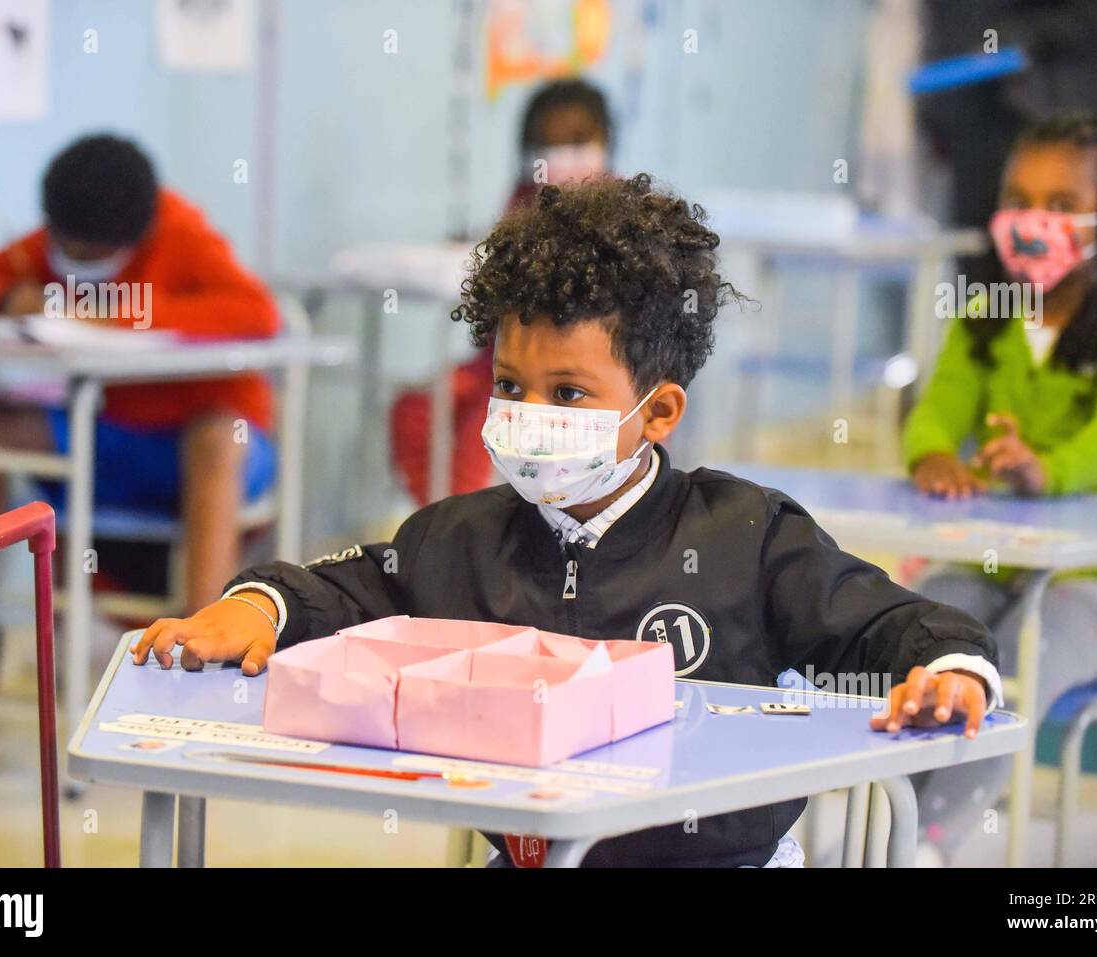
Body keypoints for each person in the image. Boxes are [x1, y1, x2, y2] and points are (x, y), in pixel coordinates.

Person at [134, 174, 1002, 868]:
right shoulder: (460, 538)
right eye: (512, 385)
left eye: (569, 393)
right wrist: (254, 606)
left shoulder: (748, 535)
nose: (528, 412)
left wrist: (946, 667)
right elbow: (341, 586)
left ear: (659, 412)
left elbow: (888, 622)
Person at [902, 114, 1097, 863]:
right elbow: (936, 413)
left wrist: (1046, 470)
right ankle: (880, 822)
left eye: (1058, 201)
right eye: (1019, 197)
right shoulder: (983, 322)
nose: (1032, 219)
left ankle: (925, 843)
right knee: (927, 633)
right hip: (996, 566)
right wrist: (929, 458)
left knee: (1019, 654)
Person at [0, 133, 278, 669]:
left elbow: (255, 314)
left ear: (134, 238)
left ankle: (203, 642)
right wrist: (6, 299)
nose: (74, 263)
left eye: (92, 258)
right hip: (109, 438)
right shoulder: (57, 231)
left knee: (215, 436)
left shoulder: (179, 232)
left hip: (206, 447)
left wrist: (122, 312)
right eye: (67, 250)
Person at [390, 77, 614, 505]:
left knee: (488, 429)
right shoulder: (526, 198)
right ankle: (439, 516)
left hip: (560, 370)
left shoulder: (617, 210)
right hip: (494, 364)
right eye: (549, 143)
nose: (562, 155)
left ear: (604, 139)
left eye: (576, 140)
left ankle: (460, 524)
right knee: (417, 409)